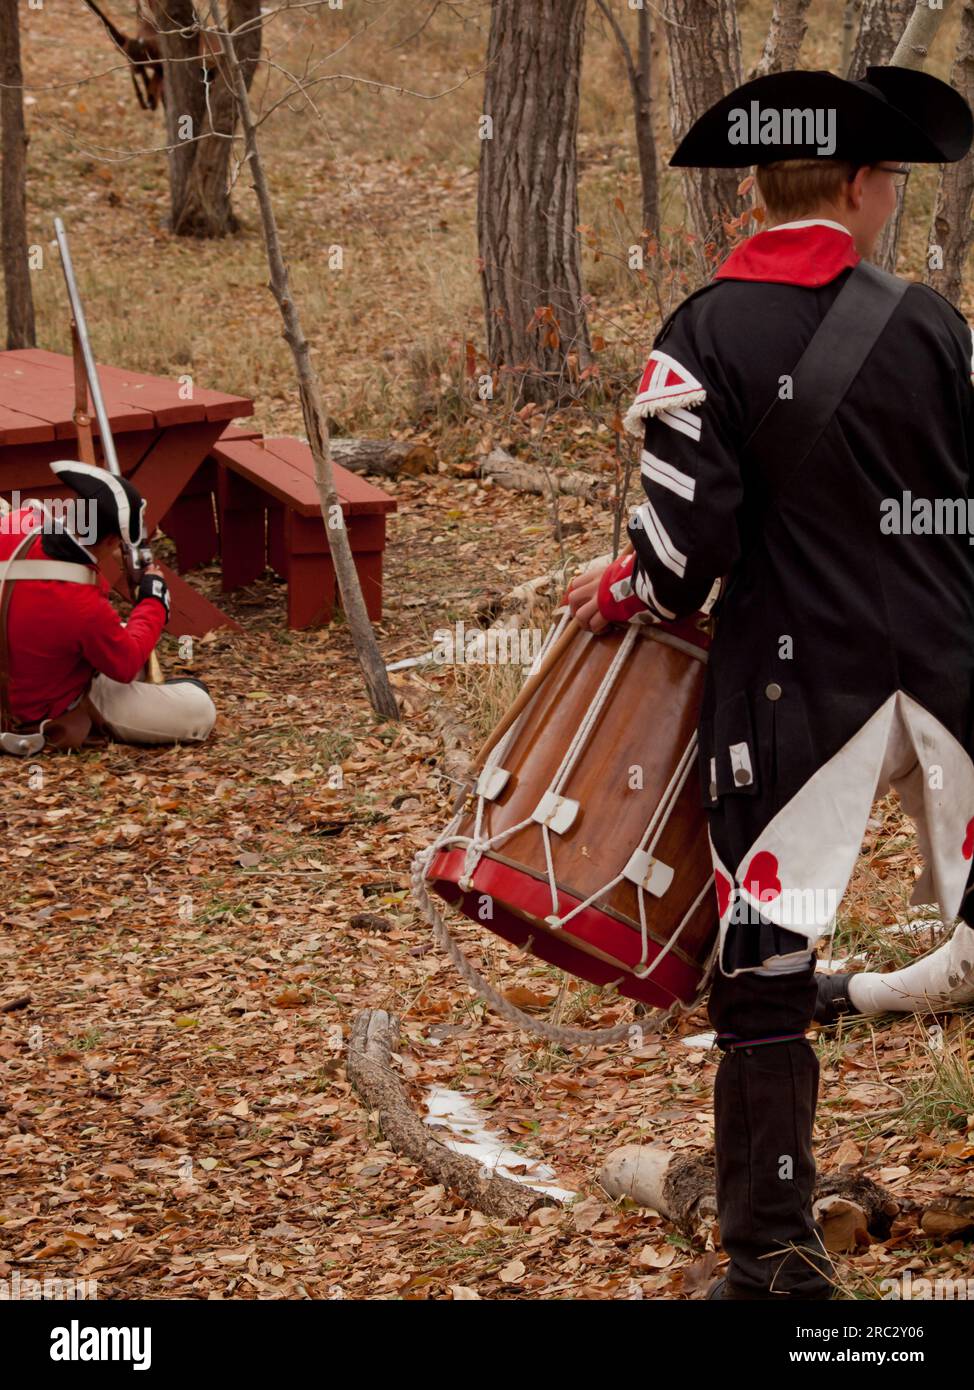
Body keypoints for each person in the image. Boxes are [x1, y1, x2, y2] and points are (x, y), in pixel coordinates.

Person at [568, 66, 974, 1300]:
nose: (891, 199)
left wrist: (617, 587)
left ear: (768, 185)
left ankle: (774, 1257)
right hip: (952, 685)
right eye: (889, 180)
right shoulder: (934, 322)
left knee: (767, 973)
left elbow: (682, 565)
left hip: (808, 708)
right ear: (853, 188)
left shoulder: (702, 333)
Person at [0, 460, 216, 749]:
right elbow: (125, 664)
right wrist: (154, 602)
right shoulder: (81, 603)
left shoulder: (19, 522)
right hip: (43, 708)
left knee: (121, 631)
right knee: (198, 708)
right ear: (113, 539)